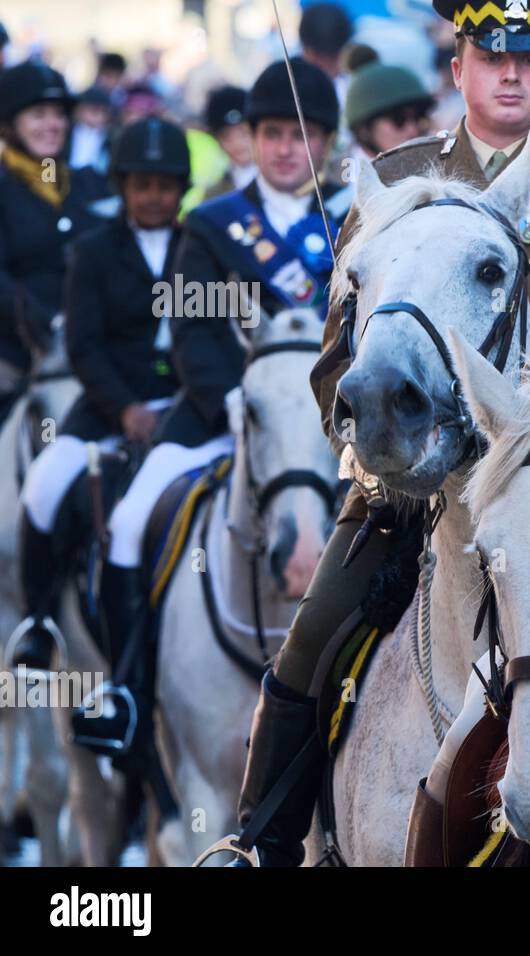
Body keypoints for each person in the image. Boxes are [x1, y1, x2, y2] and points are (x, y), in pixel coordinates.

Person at [228, 0, 530, 868]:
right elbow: (335, 367)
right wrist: (389, 461)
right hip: (414, 495)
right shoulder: (396, 174)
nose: (511, 74)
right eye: (490, 56)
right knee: (313, 643)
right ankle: (259, 846)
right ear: (456, 67)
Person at [69, 57, 350, 762]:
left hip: (334, 430)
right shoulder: (212, 226)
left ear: (326, 142)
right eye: (274, 133)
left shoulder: (357, 221)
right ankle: (127, 689)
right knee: (130, 523)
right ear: (249, 140)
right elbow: (194, 334)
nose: (288, 148)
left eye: (305, 134)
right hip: (221, 416)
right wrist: (240, 408)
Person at [8, 118, 187, 671]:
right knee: (41, 486)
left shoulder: (199, 246)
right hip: (109, 406)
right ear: (122, 187)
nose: (153, 197)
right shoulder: (94, 250)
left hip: (186, 408)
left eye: (164, 186)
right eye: (141, 186)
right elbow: (84, 345)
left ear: (180, 189)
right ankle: (39, 621)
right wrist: (124, 409)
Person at [0, 63, 111, 433]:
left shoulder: (91, 185)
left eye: (60, 115)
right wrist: (41, 319)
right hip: (16, 355)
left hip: (92, 350)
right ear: (11, 124)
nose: (53, 124)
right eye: (38, 114)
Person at [344, 63, 433, 160]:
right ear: (364, 130)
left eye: (419, 117)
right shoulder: (339, 173)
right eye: (398, 119)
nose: (413, 130)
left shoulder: (434, 165)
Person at [202, 84, 256, 199]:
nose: (237, 143)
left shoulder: (286, 180)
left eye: (244, 132)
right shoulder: (213, 196)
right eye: (226, 136)